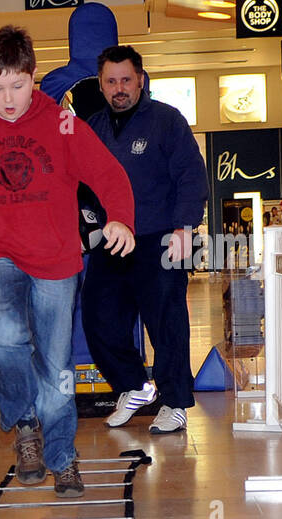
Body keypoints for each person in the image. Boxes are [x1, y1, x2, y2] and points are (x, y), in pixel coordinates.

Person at [0, 25, 136, 499]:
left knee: (58, 372)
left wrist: (120, 218)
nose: (8, 98)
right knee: (1, 336)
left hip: (57, 262)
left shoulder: (62, 124)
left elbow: (108, 172)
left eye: (17, 85)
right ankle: (23, 420)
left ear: (33, 76)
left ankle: (61, 457)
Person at [83, 45, 208, 434]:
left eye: (126, 79)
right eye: (111, 81)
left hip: (162, 238)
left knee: (167, 323)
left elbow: (191, 176)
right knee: (97, 316)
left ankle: (174, 402)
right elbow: (82, 185)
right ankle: (134, 386)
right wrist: (88, 230)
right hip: (113, 240)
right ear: (101, 86)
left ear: (140, 79)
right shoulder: (93, 128)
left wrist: (185, 229)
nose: (119, 88)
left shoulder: (167, 121)